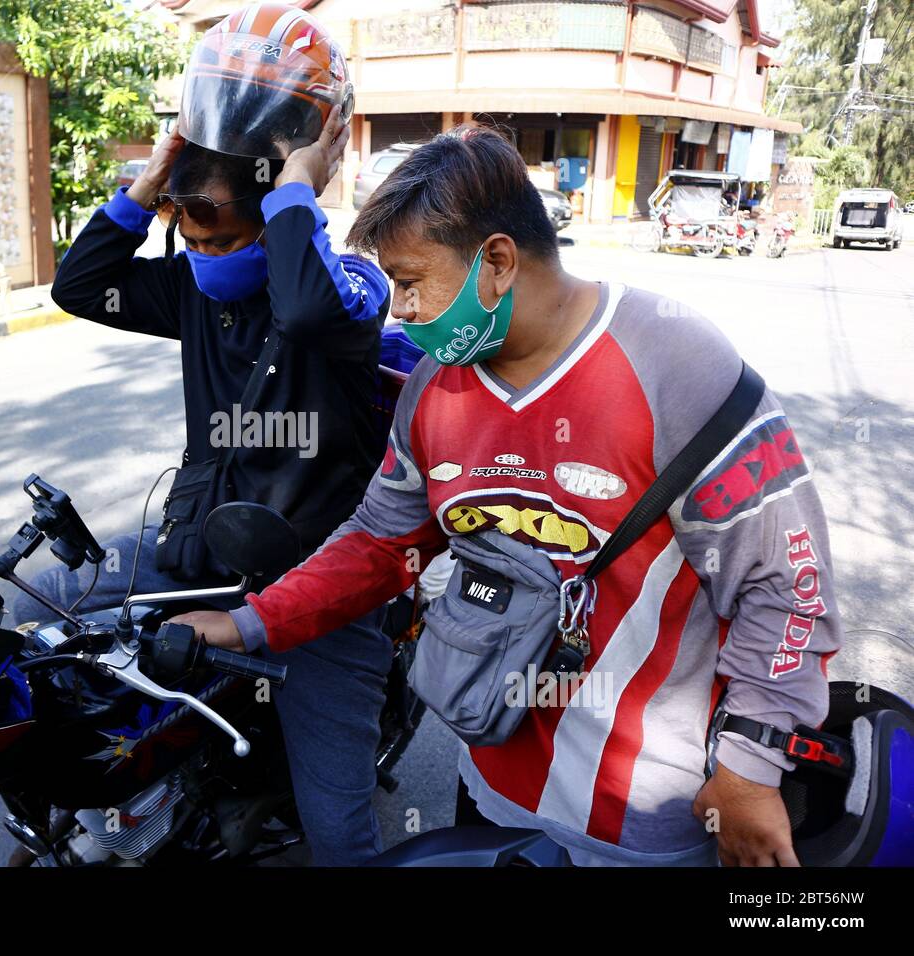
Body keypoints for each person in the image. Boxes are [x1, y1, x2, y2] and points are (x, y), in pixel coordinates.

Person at [174, 126, 842, 867]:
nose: (399, 311)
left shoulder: (676, 364)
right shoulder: (433, 391)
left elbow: (786, 583)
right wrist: (251, 623)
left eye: (410, 280)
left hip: (644, 815)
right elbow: (379, 543)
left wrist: (751, 768)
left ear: (495, 262)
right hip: (490, 784)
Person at [14, 7, 395, 866]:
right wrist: (150, 180)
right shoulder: (195, 291)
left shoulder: (351, 292)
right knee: (44, 621)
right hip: (201, 548)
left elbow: (300, 307)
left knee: (341, 834)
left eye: (217, 228)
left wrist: (302, 177)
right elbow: (80, 286)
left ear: (273, 215)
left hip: (321, 586)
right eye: (186, 225)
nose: (197, 243)